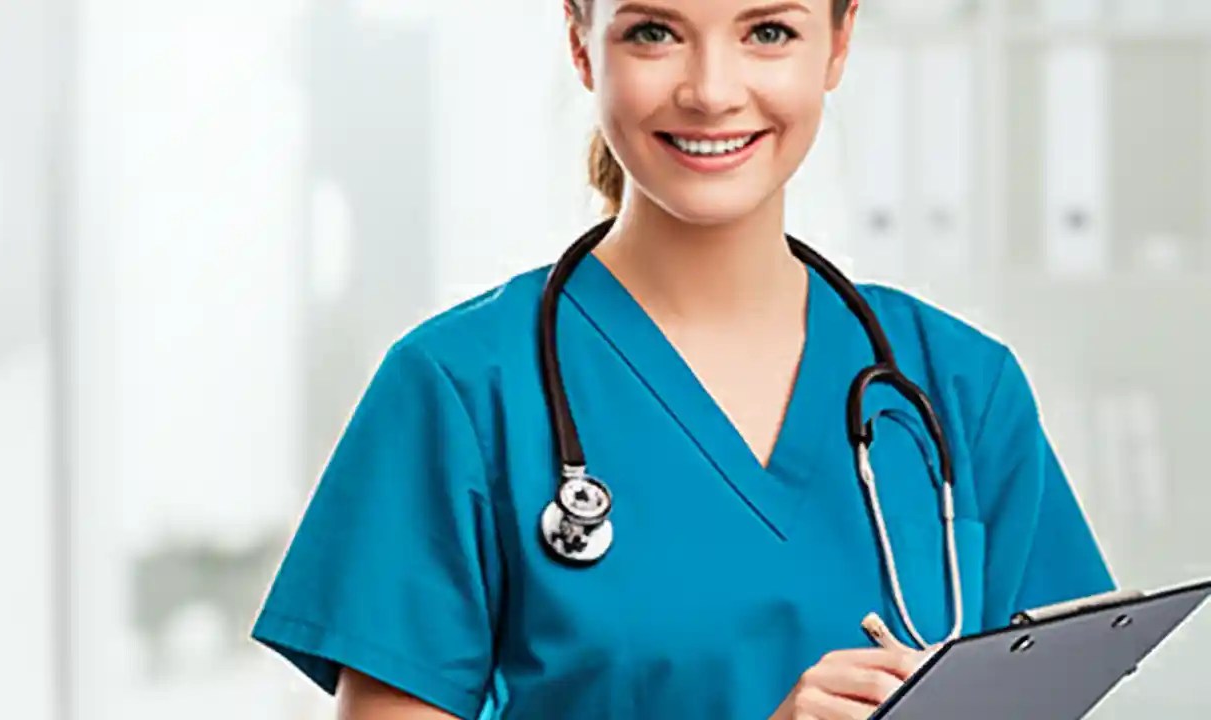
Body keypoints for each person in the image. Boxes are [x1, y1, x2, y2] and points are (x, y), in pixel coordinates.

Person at [250, 0, 1118, 718]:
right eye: (653, 32)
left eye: (768, 32)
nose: (710, 91)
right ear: (580, 43)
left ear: (840, 41)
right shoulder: (460, 390)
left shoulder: (961, 387)